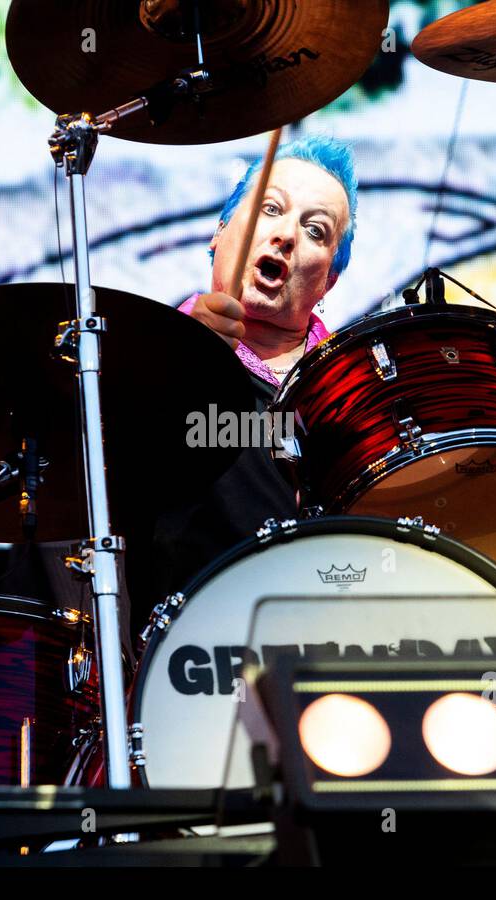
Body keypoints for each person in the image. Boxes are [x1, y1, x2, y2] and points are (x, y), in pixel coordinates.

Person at [130, 135, 359, 619]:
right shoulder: (140, 358)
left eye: (316, 231)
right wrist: (181, 362)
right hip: (182, 645)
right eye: (270, 208)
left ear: (328, 281)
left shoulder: (353, 392)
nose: (287, 235)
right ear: (218, 233)